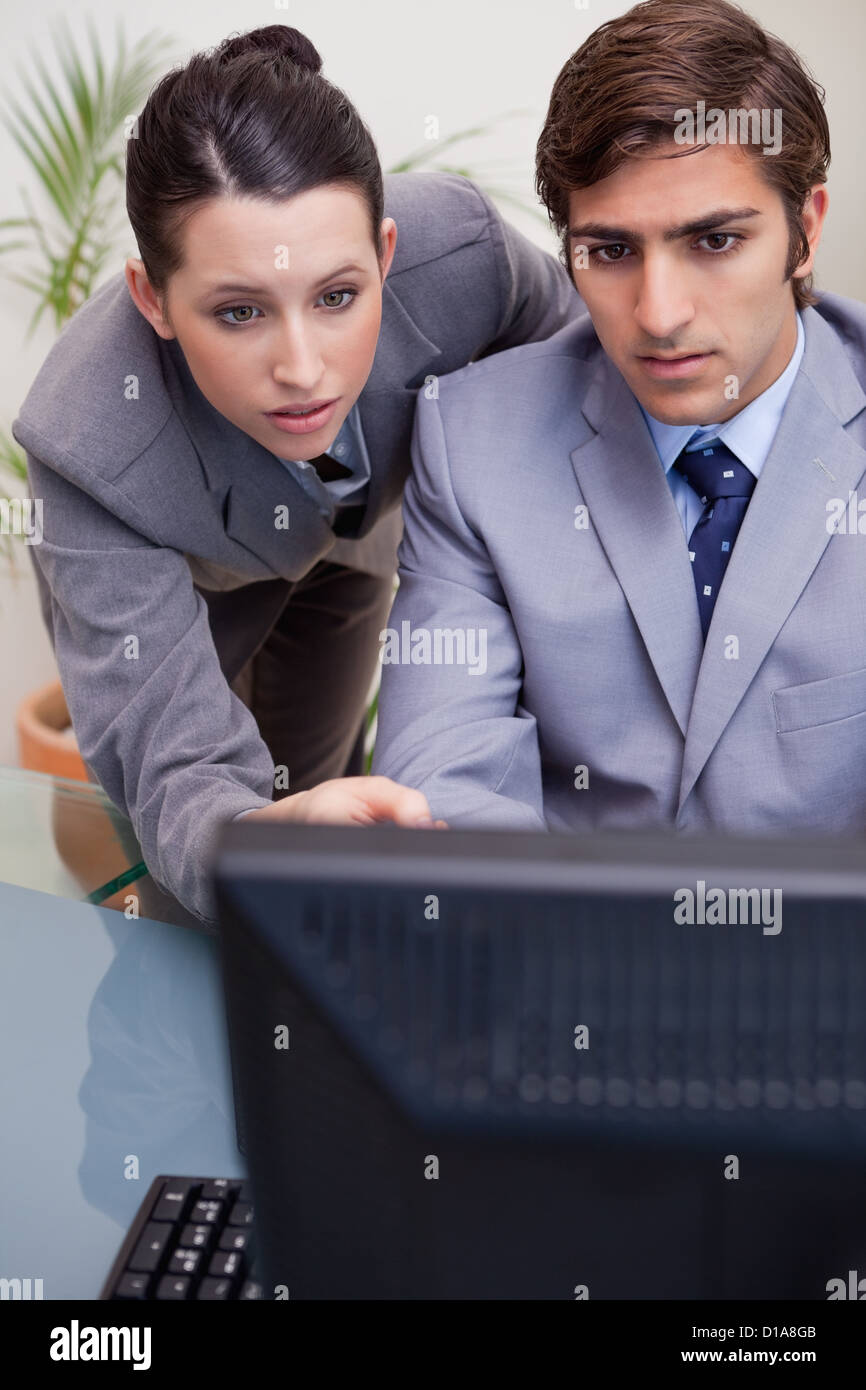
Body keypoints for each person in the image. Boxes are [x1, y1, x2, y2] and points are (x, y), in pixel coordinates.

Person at [11, 24, 585, 927]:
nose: (304, 368)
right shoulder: (87, 450)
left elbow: (579, 368)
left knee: (317, 782)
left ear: (388, 256)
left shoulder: (462, 256)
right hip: (205, 586)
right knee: (210, 861)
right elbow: (178, 769)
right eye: (239, 311)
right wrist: (253, 846)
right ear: (152, 298)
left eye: (337, 297)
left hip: (360, 541)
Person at [372, 0, 866, 845]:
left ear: (804, 231)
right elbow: (442, 779)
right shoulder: (472, 440)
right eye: (610, 251)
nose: (659, 313)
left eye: (713, 241)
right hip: (556, 954)